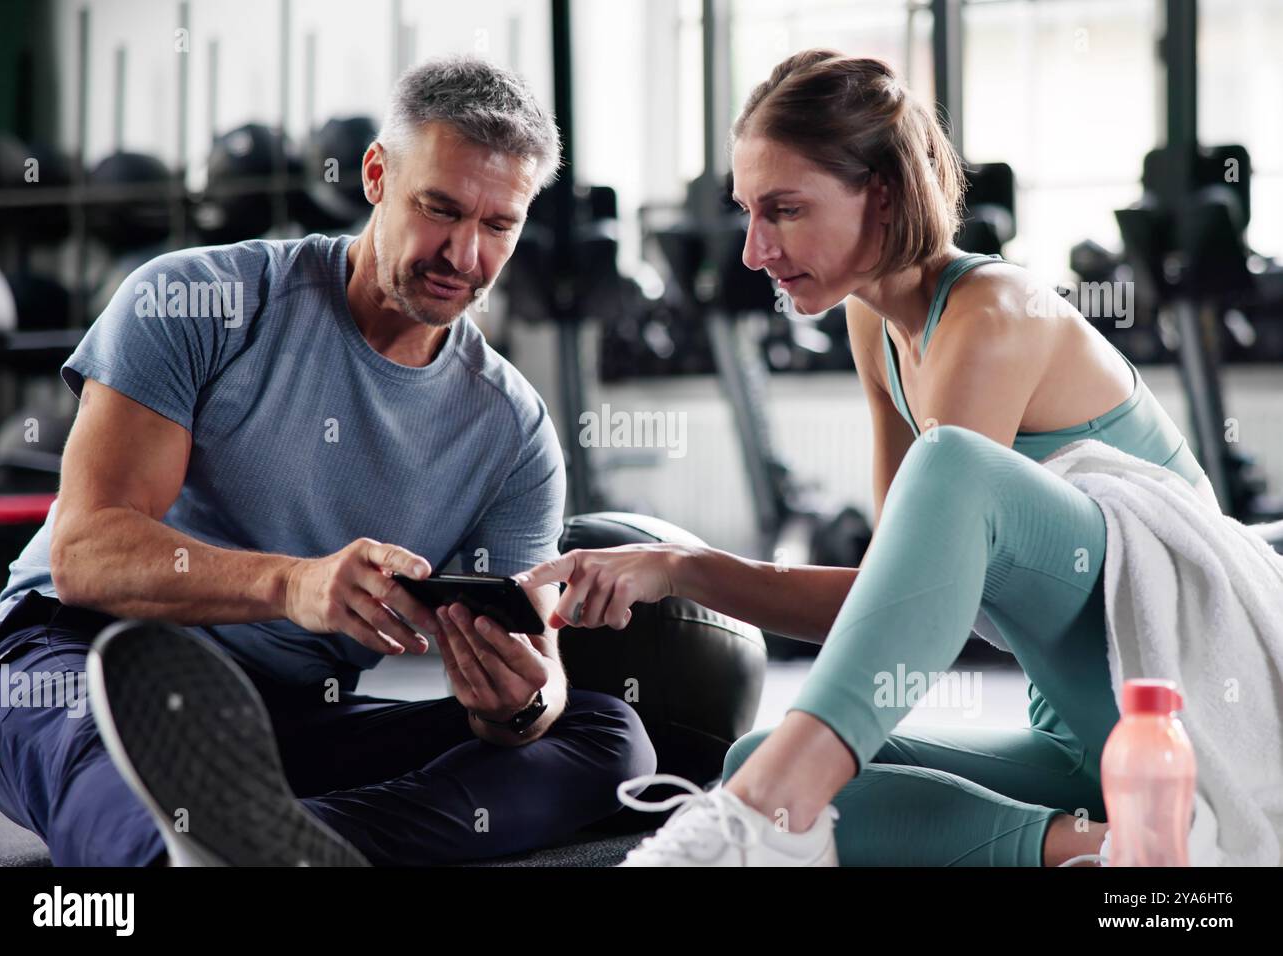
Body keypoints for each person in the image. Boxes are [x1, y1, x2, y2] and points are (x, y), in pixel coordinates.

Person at [517, 50, 1221, 867]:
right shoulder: (874, 324)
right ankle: (1117, 847)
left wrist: (683, 567)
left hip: (1182, 721)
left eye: (783, 210)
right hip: (1080, 738)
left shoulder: (997, 314)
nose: (752, 250)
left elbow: (920, 603)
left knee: (946, 471)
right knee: (761, 766)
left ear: (880, 193)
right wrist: (672, 569)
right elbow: (887, 602)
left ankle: (1159, 826)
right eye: (747, 212)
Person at [0, 55, 654, 867]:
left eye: (498, 226)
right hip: (78, 658)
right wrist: (292, 583)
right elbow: (87, 556)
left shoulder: (510, 429)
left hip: (282, 716)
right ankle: (188, 853)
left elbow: (535, 673)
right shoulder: (197, 300)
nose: (464, 255)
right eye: (438, 209)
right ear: (376, 174)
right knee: (129, 790)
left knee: (606, 738)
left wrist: (515, 707)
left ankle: (304, 843)